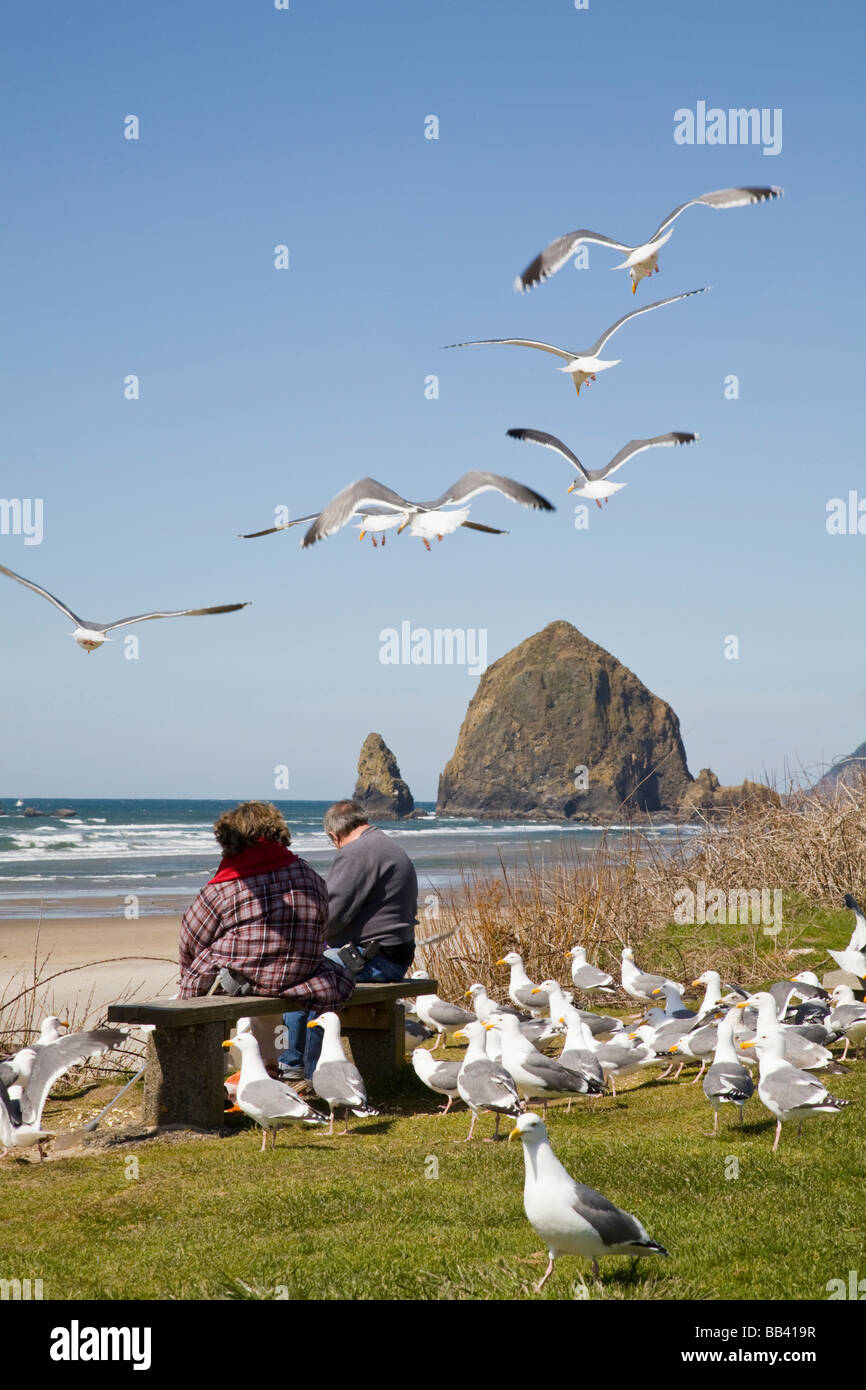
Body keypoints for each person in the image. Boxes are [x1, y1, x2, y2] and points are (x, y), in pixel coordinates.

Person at [178, 802, 354, 1025]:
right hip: (301, 977)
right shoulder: (309, 875)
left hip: (241, 979)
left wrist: (190, 974)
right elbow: (321, 928)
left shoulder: (224, 887)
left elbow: (190, 941)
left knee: (199, 975)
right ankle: (283, 1059)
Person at [279, 800, 418, 1079]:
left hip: (375, 960)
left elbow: (331, 916)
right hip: (395, 955)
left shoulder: (355, 853)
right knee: (312, 971)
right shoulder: (386, 845)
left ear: (334, 836)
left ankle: (298, 1067)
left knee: (298, 976)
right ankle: (302, 1064)